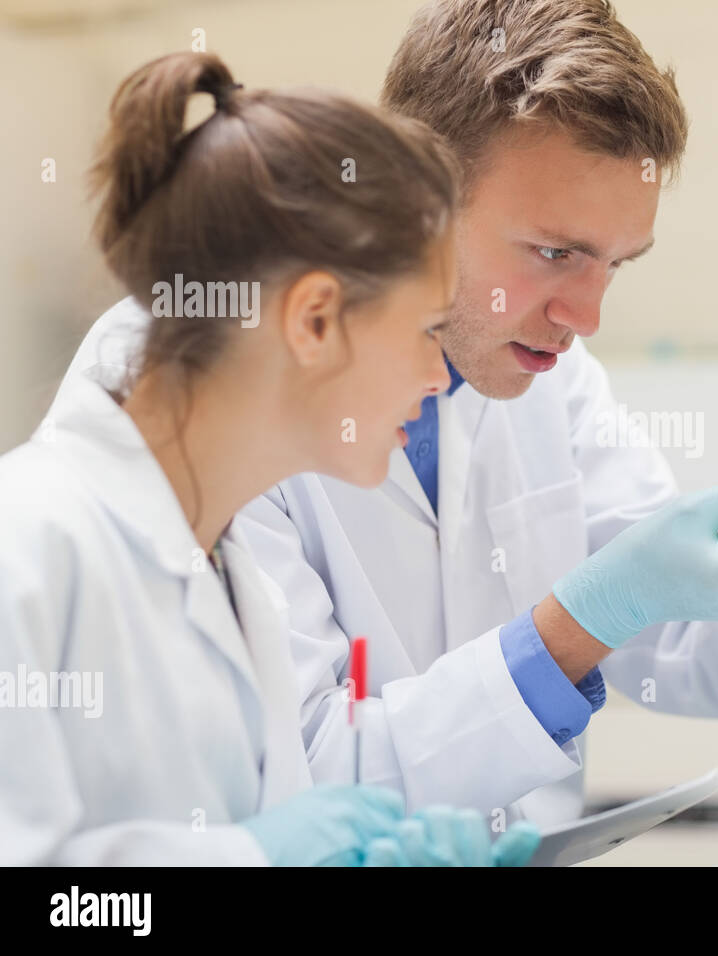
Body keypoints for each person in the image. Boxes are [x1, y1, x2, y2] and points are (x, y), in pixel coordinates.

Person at [59, 0, 718, 827]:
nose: (586, 317)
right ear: (415, 187)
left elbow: (691, 650)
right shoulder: (196, 378)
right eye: (555, 251)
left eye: (616, 263)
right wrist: (586, 615)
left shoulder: (548, 377)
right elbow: (297, 779)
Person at [0, 52, 537, 866]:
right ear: (315, 320)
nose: (440, 376)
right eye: (428, 330)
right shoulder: (31, 547)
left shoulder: (237, 579)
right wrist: (248, 860)